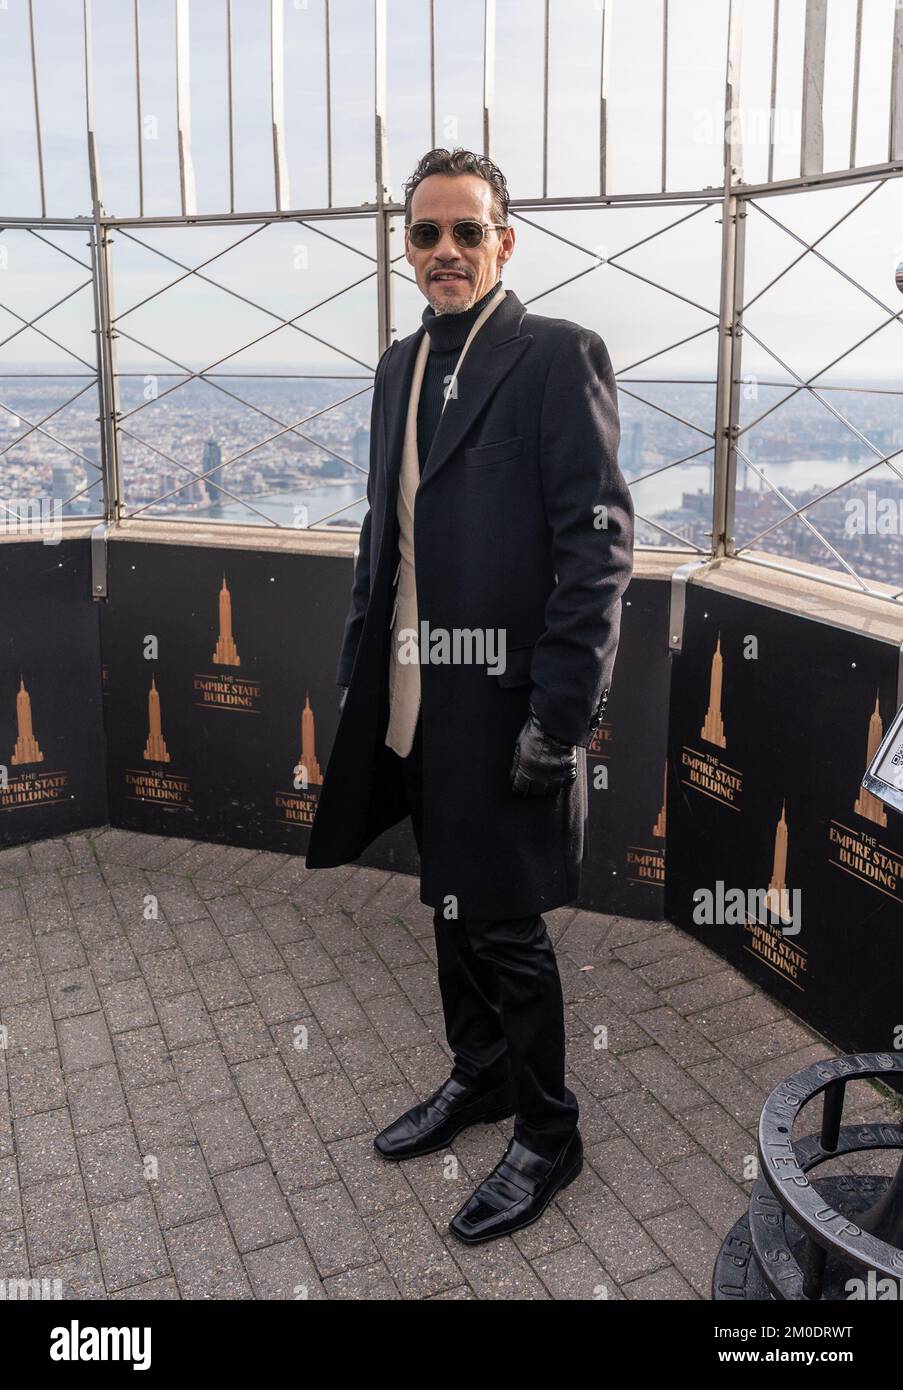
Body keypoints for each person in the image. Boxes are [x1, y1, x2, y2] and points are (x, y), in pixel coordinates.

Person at [306, 147, 635, 1243]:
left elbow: (598, 550)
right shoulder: (400, 364)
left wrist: (560, 713)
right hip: (413, 692)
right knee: (447, 901)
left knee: (502, 927)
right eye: (424, 234)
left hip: (503, 705)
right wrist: (362, 677)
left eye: (466, 231)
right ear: (405, 247)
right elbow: (382, 536)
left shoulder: (555, 355)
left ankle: (550, 1131)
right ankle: (480, 1073)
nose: (445, 251)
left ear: (506, 239)